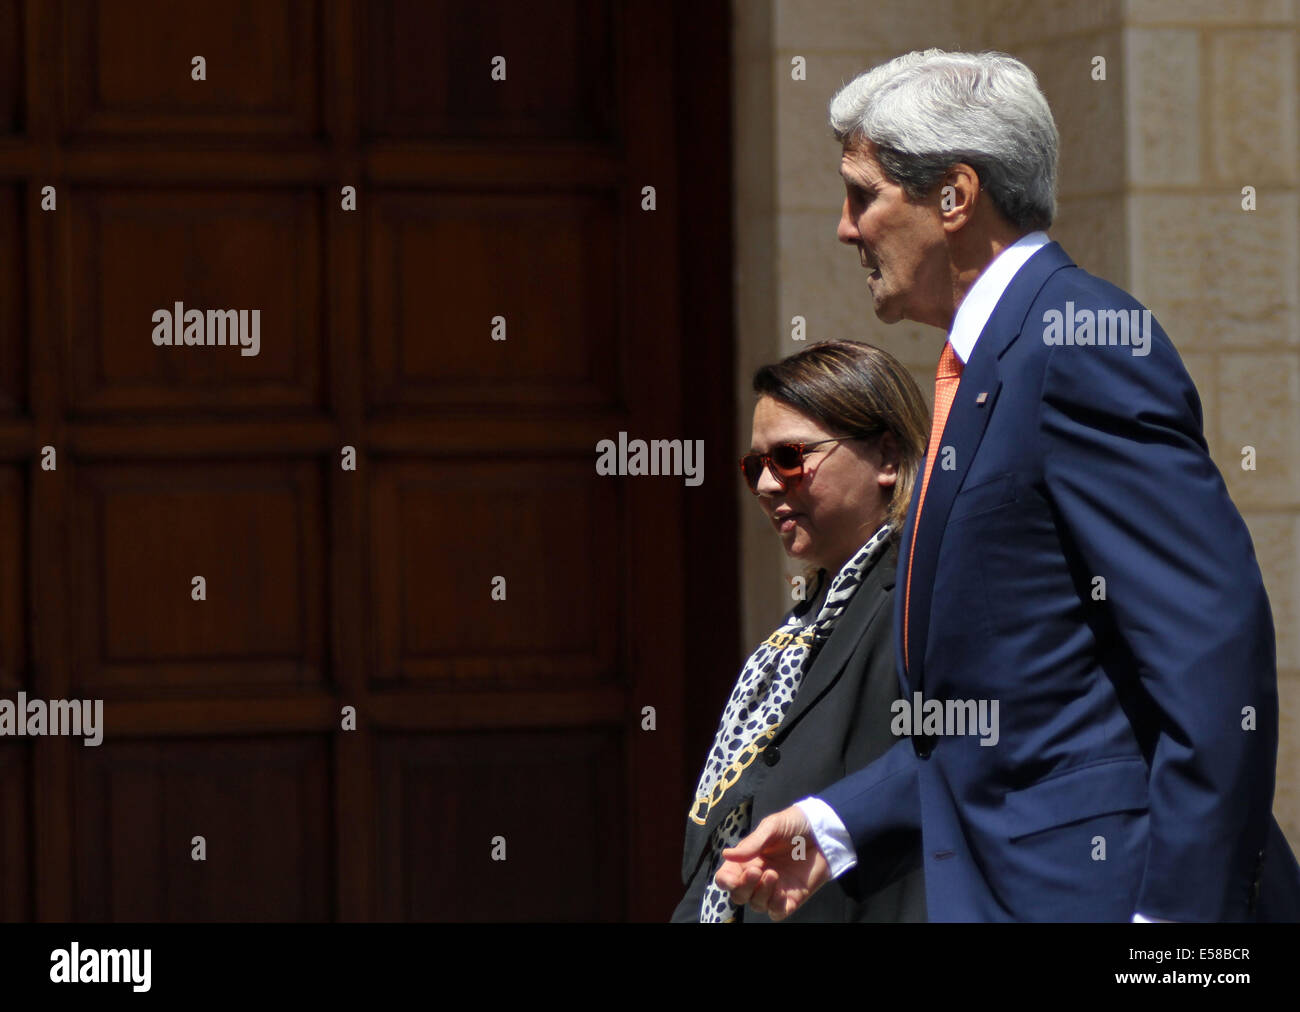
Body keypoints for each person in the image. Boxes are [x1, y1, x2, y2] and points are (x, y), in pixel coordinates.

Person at [715, 49, 1300, 922]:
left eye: (863, 194)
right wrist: (833, 823)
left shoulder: (1076, 343)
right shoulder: (988, 365)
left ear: (955, 196)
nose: (845, 229)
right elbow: (997, 710)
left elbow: (1215, 664)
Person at [673, 341, 930, 922]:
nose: (766, 486)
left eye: (789, 458)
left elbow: (962, 755)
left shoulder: (924, 588)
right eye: (753, 466)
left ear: (887, 457)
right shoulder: (807, 621)